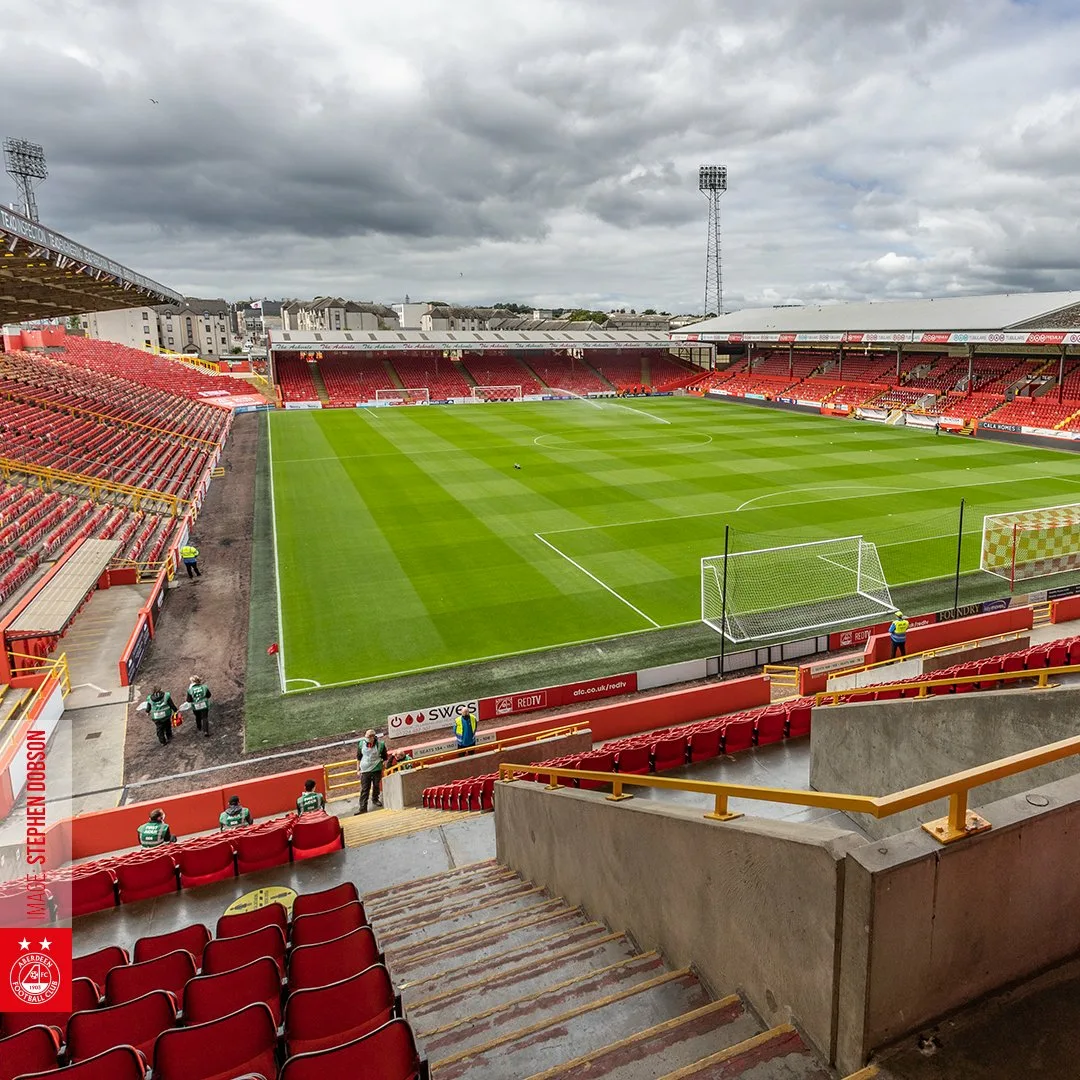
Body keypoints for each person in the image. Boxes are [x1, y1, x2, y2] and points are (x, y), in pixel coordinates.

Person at [356, 729, 387, 813]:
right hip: (365, 770)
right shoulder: (361, 743)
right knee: (365, 789)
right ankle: (363, 808)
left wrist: (384, 767)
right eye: (366, 736)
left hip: (376, 768)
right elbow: (358, 757)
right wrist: (358, 769)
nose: (366, 738)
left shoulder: (381, 745)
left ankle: (375, 799)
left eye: (368, 737)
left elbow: (385, 758)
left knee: (376, 786)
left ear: (373, 737)